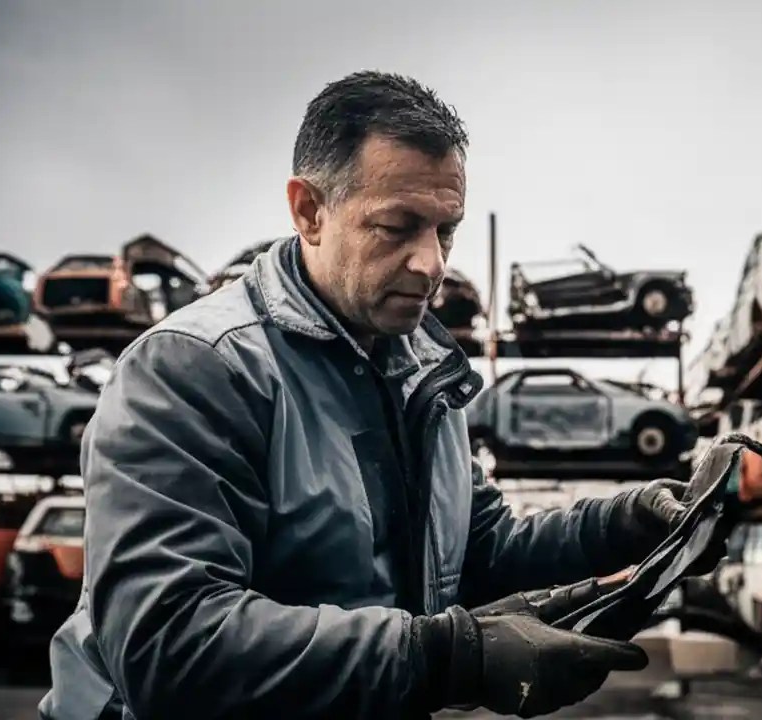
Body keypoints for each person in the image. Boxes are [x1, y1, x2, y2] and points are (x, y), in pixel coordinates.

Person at [39, 70, 692, 720]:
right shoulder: (193, 368)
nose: (433, 263)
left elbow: (480, 551)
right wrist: (454, 657)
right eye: (398, 226)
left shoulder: (419, 372)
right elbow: (171, 646)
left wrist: (634, 521)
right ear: (309, 211)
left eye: (446, 230)